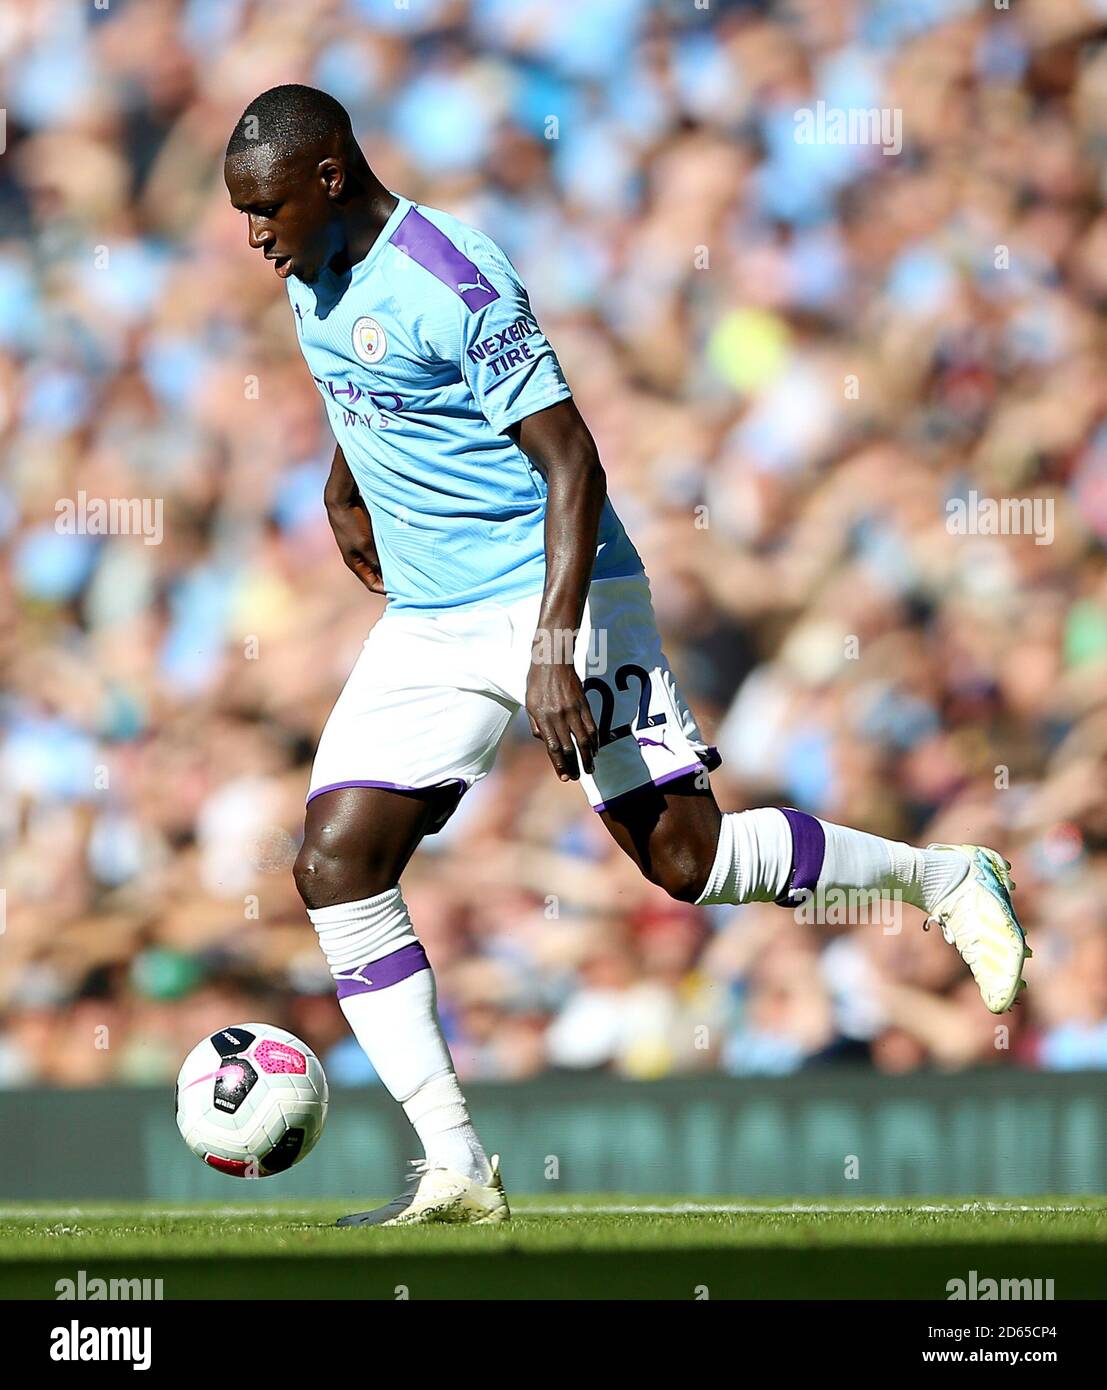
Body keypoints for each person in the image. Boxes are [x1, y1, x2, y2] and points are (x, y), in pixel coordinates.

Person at [224, 85, 1030, 1226]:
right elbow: (372, 392)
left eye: (265, 209)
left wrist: (555, 645)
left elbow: (573, 466)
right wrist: (345, 486)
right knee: (335, 864)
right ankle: (456, 1165)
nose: (253, 234)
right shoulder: (309, 272)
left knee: (684, 859)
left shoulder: (455, 275)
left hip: (559, 586)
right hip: (431, 616)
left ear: (331, 178)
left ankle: (946, 877)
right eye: (242, 213)